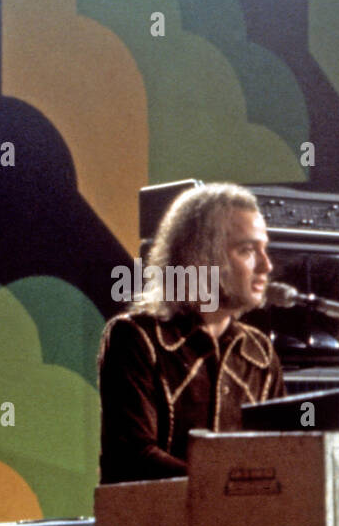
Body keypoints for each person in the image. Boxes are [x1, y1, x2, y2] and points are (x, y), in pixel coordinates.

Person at [98, 183, 283, 484]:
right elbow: (133, 457)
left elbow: (282, 453)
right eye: (247, 250)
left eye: (264, 249)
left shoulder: (259, 351)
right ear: (202, 257)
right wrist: (230, 484)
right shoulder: (136, 337)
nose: (266, 265)